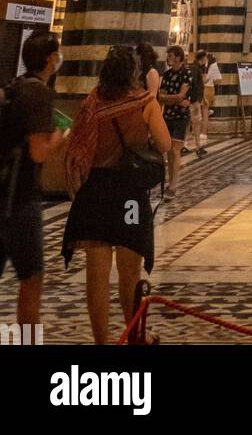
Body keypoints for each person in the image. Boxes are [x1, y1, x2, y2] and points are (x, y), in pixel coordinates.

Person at [62, 44, 171, 344]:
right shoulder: (145, 103)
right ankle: (135, 334)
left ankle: (102, 341)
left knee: (96, 277)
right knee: (129, 274)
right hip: (129, 195)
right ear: (133, 72)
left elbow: (77, 146)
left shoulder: (91, 102)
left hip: (95, 192)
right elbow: (164, 144)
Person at [0, 32, 62, 330]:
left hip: (3, 194)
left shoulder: (14, 87)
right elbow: (38, 152)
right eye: (57, 54)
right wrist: (59, 139)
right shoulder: (39, 93)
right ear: (50, 58)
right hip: (20, 201)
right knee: (32, 280)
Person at [159, 44, 191, 198]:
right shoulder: (166, 75)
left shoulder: (186, 73)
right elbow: (161, 97)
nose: (168, 59)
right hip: (168, 116)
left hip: (180, 117)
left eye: (171, 56)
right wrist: (176, 99)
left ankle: (173, 185)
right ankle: (169, 182)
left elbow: (181, 95)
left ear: (178, 57)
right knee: (167, 150)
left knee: (175, 150)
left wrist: (170, 99)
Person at [185, 50, 207, 158]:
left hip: (193, 99)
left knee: (189, 122)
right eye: (205, 59)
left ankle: (184, 145)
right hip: (194, 101)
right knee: (196, 123)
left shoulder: (194, 67)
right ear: (202, 59)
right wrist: (197, 98)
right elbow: (193, 84)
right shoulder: (195, 68)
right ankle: (198, 147)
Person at [202, 54, 221, 141]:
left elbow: (206, 80)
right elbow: (218, 80)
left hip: (206, 89)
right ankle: (202, 132)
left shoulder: (211, 66)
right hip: (209, 89)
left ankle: (203, 132)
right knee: (204, 112)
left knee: (203, 112)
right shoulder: (212, 65)